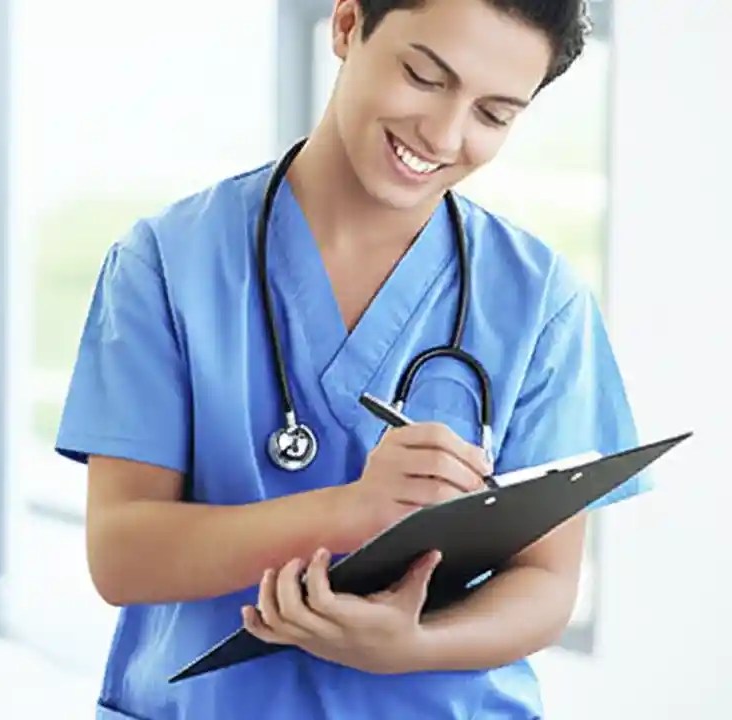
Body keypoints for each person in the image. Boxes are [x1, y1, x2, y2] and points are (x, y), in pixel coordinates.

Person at [53, 0, 645, 718]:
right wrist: (349, 512)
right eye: (425, 76)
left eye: (493, 115)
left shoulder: (540, 302)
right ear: (345, 25)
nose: (444, 133)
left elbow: (547, 584)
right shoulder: (168, 265)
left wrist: (413, 646)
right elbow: (121, 554)